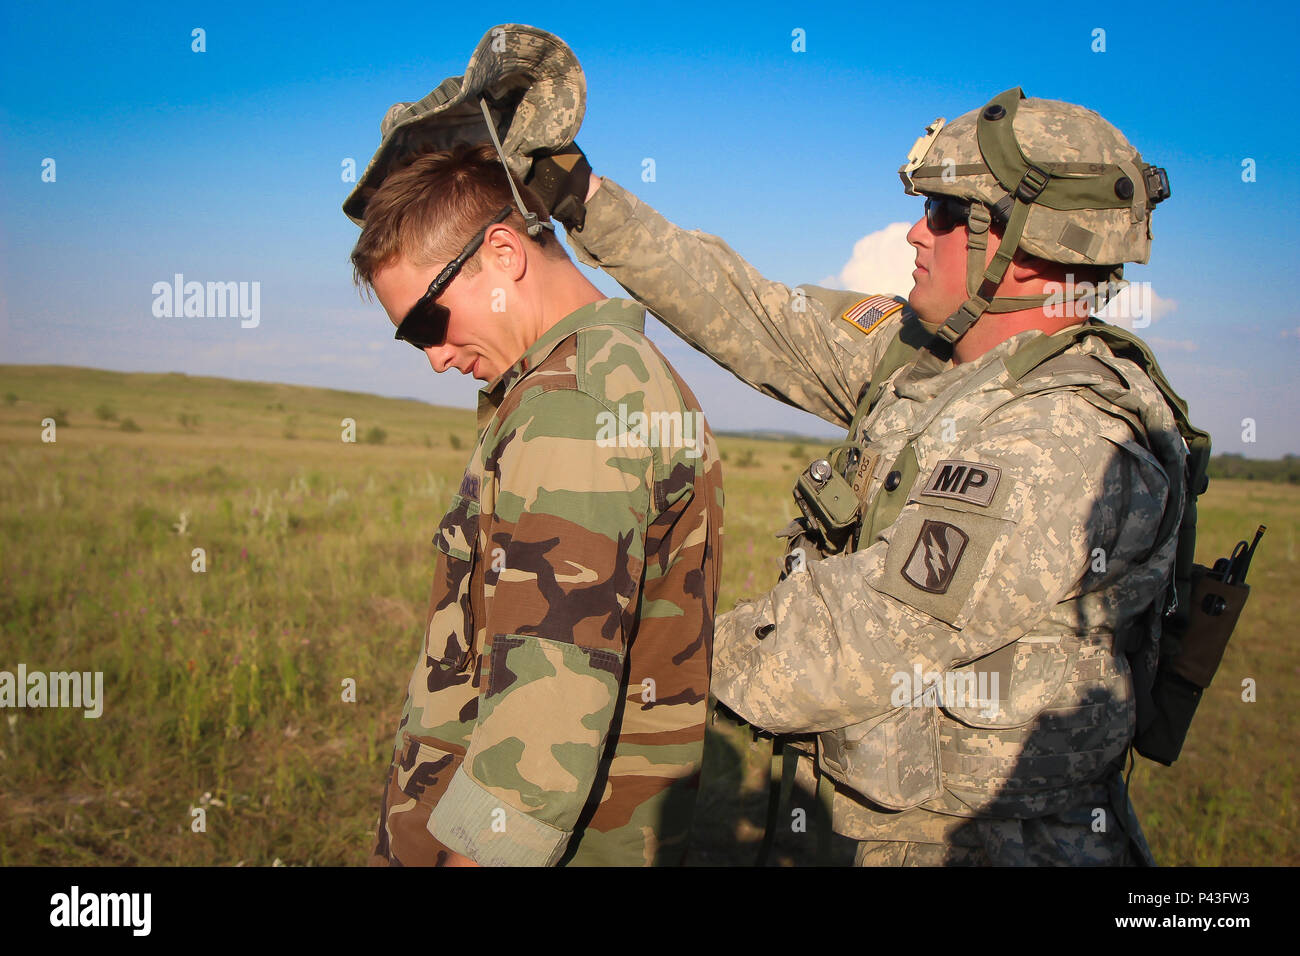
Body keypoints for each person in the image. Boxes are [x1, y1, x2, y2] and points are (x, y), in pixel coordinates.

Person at [519, 86, 1196, 865]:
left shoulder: (1066, 437)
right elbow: (754, 313)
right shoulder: (929, 359)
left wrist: (605, 647)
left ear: (1028, 251)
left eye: (945, 214)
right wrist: (579, 196)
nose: (916, 232)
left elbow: (852, 640)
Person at [348, 141, 724, 866]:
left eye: (429, 320)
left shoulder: (573, 408)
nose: (435, 355)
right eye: (412, 338)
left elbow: (537, 752)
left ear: (502, 252)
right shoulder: (596, 382)